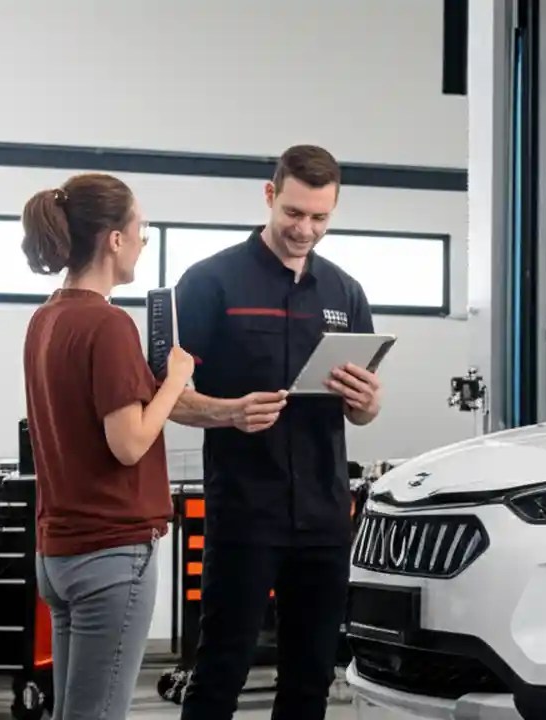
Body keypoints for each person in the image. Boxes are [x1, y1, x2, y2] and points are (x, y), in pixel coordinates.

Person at [168, 144, 382, 720]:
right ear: (269, 195)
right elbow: (165, 399)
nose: (305, 229)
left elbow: (359, 411)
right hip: (245, 512)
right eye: (294, 213)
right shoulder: (211, 283)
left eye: (320, 218)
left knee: (310, 679)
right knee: (221, 672)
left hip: (324, 516)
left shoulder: (345, 293)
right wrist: (228, 412)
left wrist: (366, 405)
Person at [20, 173, 194, 720]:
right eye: (140, 227)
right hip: (112, 552)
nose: (144, 239)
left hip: (59, 552)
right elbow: (129, 443)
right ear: (114, 239)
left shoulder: (45, 318)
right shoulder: (109, 324)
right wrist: (174, 379)